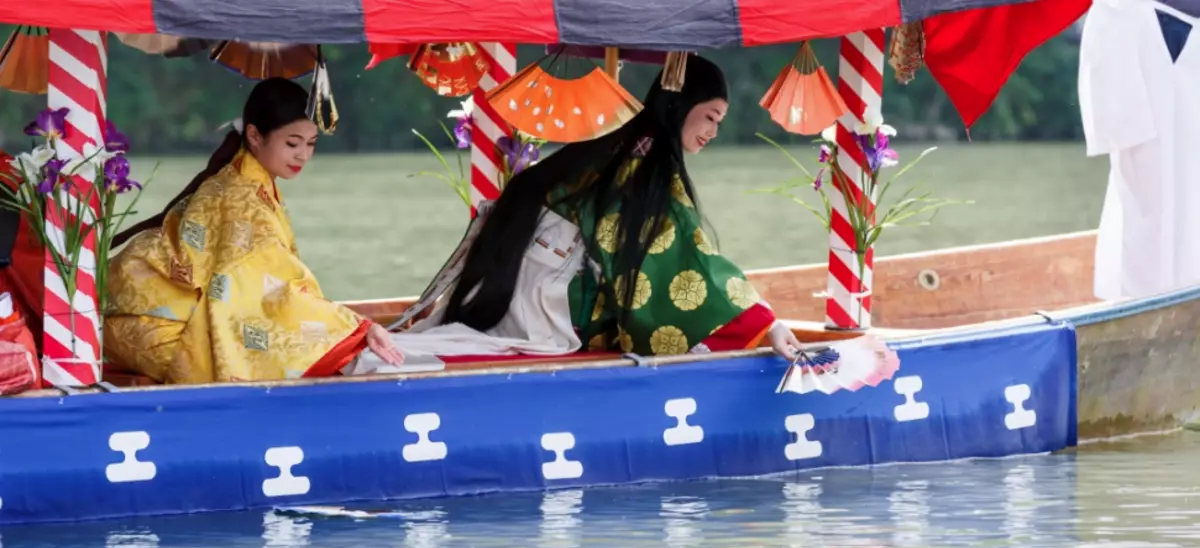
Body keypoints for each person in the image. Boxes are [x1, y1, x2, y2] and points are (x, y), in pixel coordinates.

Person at [346, 54, 800, 375]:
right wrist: (765, 323)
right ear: (681, 107)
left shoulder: (623, 146)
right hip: (543, 301)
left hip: (524, 280)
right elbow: (682, 260)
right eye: (710, 117)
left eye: (719, 121)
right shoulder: (645, 165)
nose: (713, 131)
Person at [104, 78, 403, 384]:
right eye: (292, 143)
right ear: (254, 136)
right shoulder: (241, 199)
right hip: (161, 329)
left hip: (150, 312)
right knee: (273, 336)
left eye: (311, 143)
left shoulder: (246, 176)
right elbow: (272, 290)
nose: (303, 155)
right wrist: (356, 327)